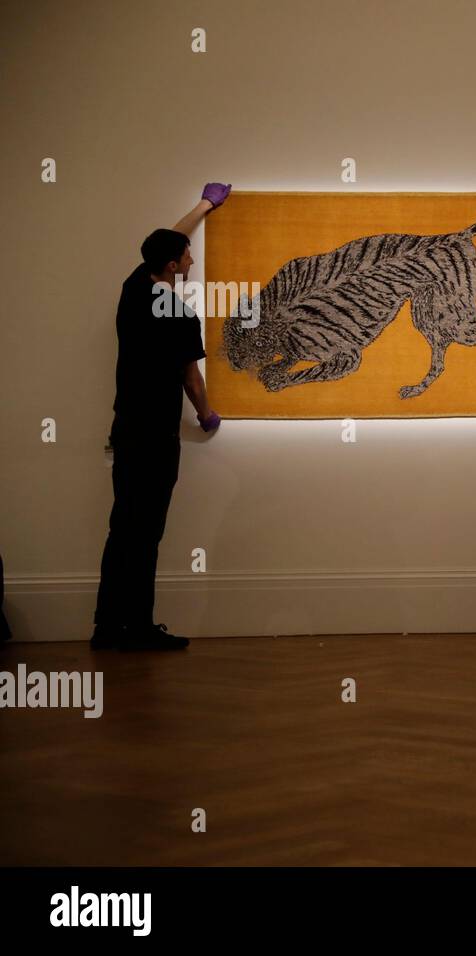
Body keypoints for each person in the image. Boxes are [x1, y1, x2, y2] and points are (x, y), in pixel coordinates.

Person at [90, 183, 231, 651]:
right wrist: (208, 416)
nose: (191, 262)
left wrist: (204, 207)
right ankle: (139, 629)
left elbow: (164, 241)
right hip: (154, 436)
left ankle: (109, 628)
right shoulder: (177, 314)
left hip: (126, 429)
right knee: (146, 533)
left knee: (122, 527)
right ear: (172, 266)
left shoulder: (134, 290)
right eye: (187, 257)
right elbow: (191, 379)